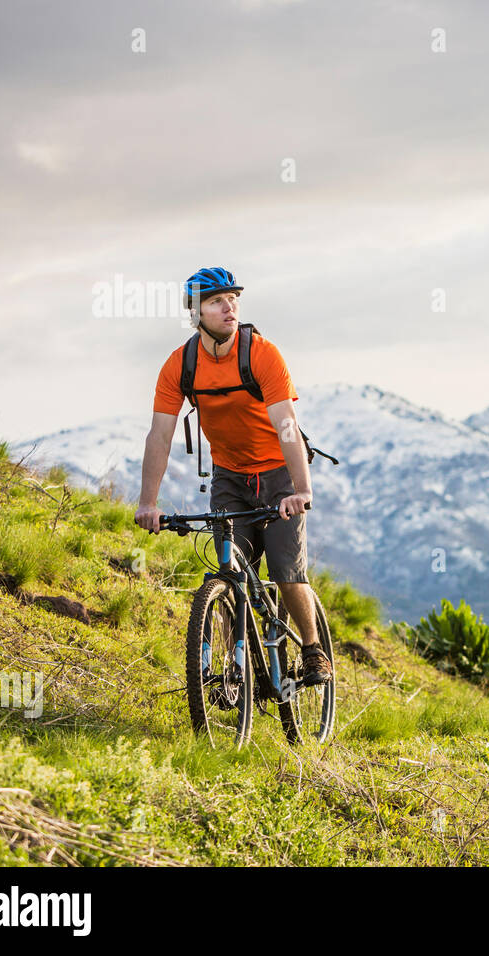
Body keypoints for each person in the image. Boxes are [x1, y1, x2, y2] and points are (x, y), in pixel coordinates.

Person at [133, 267, 332, 684]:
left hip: (278, 474)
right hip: (229, 477)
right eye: (217, 301)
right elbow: (160, 436)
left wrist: (302, 489)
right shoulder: (181, 365)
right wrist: (147, 503)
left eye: (233, 299)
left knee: (284, 570)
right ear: (196, 312)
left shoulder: (261, 353)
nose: (230, 308)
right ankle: (232, 666)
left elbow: (287, 426)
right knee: (229, 571)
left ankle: (313, 651)